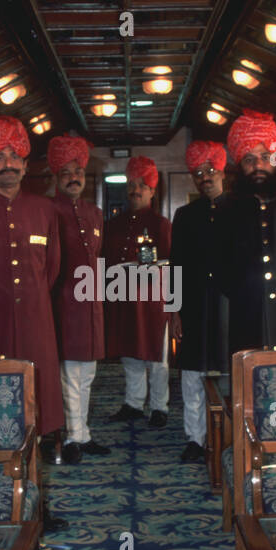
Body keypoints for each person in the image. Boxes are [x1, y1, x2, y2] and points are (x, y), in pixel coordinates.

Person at [0, 115, 69, 530]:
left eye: (15, 157)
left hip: (35, 324)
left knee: (35, 414)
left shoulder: (45, 210)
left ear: (27, 166)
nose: (7, 164)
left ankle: (35, 503)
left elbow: (53, 269)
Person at [220, 110, 276, 352]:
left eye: (265, 157)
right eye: (249, 159)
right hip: (246, 332)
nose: (258, 165)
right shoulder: (227, 214)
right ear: (240, 165)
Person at [49, 133, 111, 463]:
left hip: (92, 307)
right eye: (66, 172)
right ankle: (71, 436)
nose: (74, 178)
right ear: (56, 177)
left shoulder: (95, 213)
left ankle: (83, 433)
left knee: (87, 374)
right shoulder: (48, 211)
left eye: (79, 172)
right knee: (68, 375)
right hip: (64, 307)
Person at [171, 140, 231, 463]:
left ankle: (230, 436)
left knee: (229, 373)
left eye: (210, 170)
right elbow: (175, 263)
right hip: (193, 306)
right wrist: (173, 309)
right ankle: (195, 439)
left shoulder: (240, 210)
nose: (205, 177)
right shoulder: (184, 215)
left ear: (222, 172)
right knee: (192, 375)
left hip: (229, 307)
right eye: (198, 172)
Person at [104, 156, 172, 428]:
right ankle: (133, 403)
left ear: (153, 191)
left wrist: (173, 305)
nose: (136, 190)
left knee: (157, 358)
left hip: (153, 301)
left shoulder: (161, 224)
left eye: (142, 185)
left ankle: (159, 407)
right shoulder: (113, 224)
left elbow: (172, 266)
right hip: (123, 299)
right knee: (129, 354)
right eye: (132, 184)